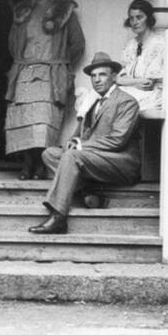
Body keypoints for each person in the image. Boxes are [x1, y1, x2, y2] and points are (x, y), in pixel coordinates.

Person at [28, 52, 142, 235]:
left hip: (122, 162)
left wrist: (80, 147)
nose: (97, 80)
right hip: (95, 158)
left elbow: (118, 140)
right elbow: (83, 134)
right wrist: (73, 143)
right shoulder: (93, 102)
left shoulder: (127, 102)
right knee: (49, 153)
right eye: (93, 76)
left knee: (72, 156)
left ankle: (58, 217)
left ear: (114, 77)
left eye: (102, 75)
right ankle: (90, 193)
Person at [4, 0, 85, 180]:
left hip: (51, 73)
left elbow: (78, 44)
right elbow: (13, 42)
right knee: (24, 120)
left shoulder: (64, 10)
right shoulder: (23, 11)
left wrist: (62, 64)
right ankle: (27, 164)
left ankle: (40, 165)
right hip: (25, 71)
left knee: (44, 121)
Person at [115, 0, 164, 114]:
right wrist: (137, 81)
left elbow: (148, 84)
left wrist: (129, 81)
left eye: (139, 17)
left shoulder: (159, 44)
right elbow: (118, 79)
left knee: (114, 102)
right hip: (131, 91)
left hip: (150, 95)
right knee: (101, 96)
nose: (135, 22)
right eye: (131, 18)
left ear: (149, 18)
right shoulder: (130, 45)